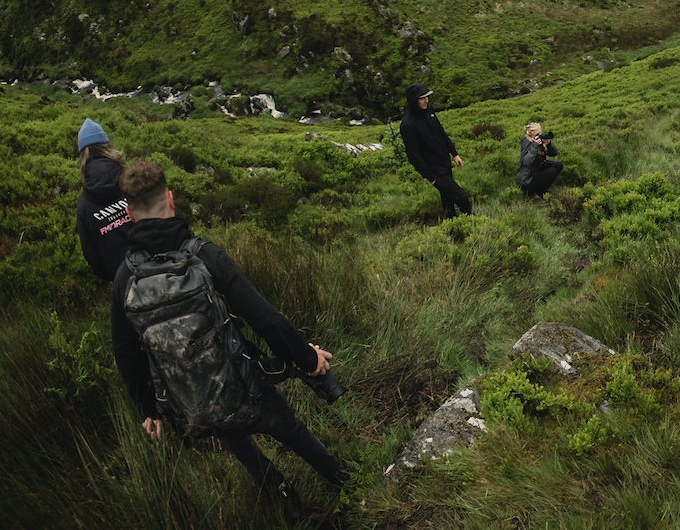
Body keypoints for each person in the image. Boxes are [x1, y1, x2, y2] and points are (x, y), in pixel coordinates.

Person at [110, 161, 345, 519]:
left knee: (230, 433)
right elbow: (264, 318)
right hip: (244, 387)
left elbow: (126, 353)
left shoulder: (125, 278)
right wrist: (307, 359)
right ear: (170, 199)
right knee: (291, 431)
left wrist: (147, 410)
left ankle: (281, 492)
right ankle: (342, 479)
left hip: (190, 404)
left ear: (128, 214)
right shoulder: (205, 256)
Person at [400, 84, 472, 218]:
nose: (426, 101)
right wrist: (431, 177)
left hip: (444, 162)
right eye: (422, 98)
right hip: (435, 171)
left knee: (448, 201)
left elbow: (441, 133)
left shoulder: (428, 111)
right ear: (413, 100)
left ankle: (451, 225)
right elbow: (413, 156)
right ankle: (472, 222)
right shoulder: (408, 125)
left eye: (427, 97)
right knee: (461, 197)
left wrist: (454, 154)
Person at [74, 118, 132, 281]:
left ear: (83, 154)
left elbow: (89, 250)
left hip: (121, 279)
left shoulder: (84, 204)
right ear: (107, 147)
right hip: (154, 264)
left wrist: (108, 276)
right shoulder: (131, 180)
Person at [516, 121, 562, 197]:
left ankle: (541, 188)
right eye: (537, 134)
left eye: (540, 133)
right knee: (552, 171)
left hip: (536, 171)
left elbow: (554, 153)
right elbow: (526, 162)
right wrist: (535, 146)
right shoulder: (528, 143)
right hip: (527, 181)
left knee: (558, 165)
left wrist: (549, 143)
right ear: (531, 136)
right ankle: (540, 192)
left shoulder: (539, 142)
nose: (539, 136)